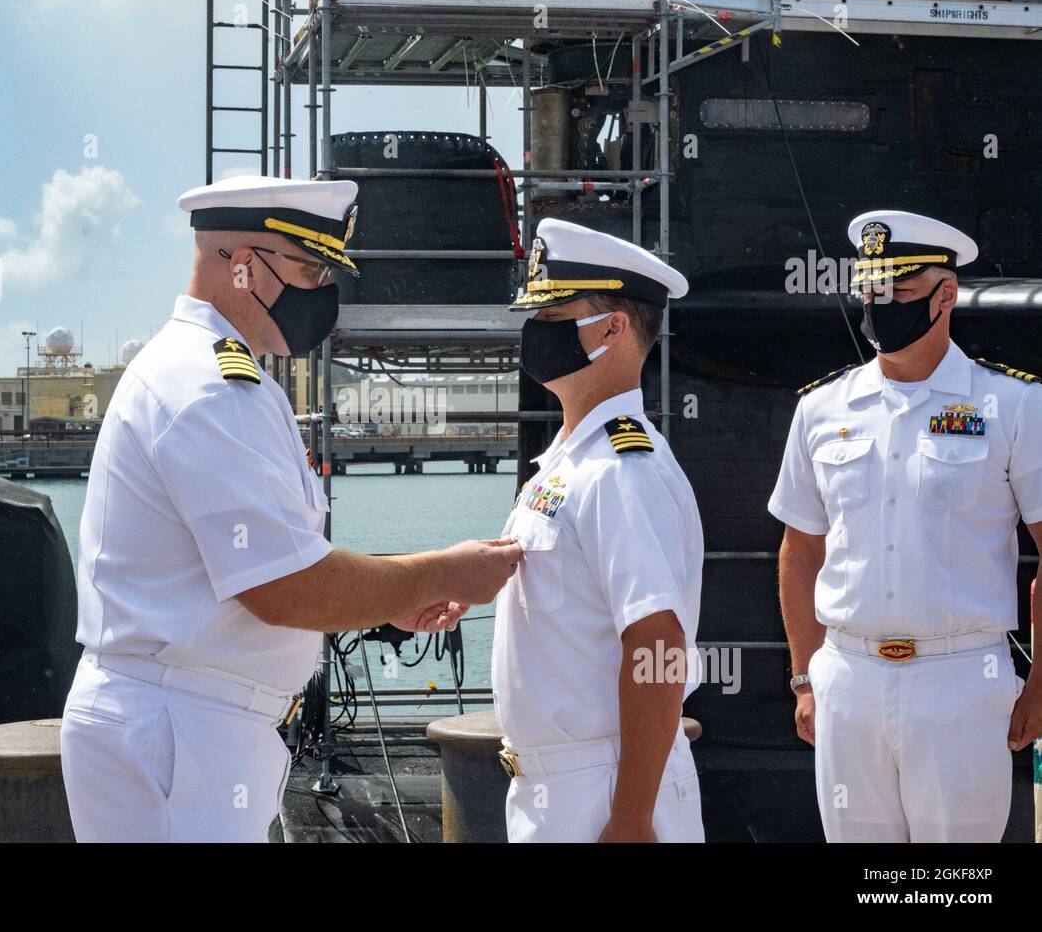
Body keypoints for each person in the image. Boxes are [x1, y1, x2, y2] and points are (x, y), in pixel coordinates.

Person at [60, 175, 522, 842]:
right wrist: (444, 573)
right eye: (308, 267)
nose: (322, 290)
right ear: (242, 264)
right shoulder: (211, 389)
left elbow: (279, 566)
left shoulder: (219, 376)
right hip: (180, 731)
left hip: (190, 724)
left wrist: (383, 599)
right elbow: (284, 590)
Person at [769, 210, 1042, 842]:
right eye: (868, 288)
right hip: (848, 678)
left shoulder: (1013, 407)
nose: (876, 303)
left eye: (896, 289)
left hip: (962, 682)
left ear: (946, 295)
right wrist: (805, 676)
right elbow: (801, 549)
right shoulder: (820, 409)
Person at [491, 218, 705, 842]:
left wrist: (633, 818)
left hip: (605, 788)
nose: (535, 332)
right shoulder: (569, 462)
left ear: (612, 327)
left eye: (553, 317)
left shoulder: (620, 469)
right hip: (560, 788)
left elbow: (659, 645)